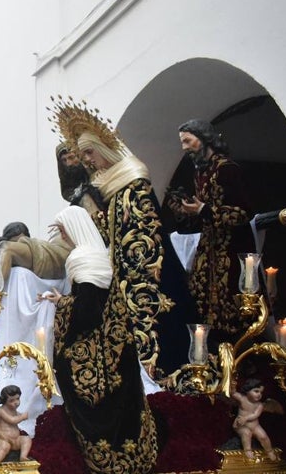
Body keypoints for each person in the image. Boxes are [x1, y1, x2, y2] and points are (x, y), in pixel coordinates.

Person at [55, 99, 173, 372]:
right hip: (120, 267)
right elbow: (108, 230)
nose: (86, 160)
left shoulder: (132, 176)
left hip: (142, 268)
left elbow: (146, 227)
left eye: (88, 153)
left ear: (102, 148)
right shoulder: (106, 186)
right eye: (81, 154)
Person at [41, 206, 158, 474]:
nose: (61, 236)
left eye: (62, 230)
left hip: (96, 351)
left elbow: (87, 314)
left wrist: (64, 307)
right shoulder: (98, 255)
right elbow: (95, 302)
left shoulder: (81, 258)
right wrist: (65, 300)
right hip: (118, 348)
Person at [166, 120, 254, 341]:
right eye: (182, 143)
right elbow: (204, 217)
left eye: (188, 141)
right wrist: (187, 211)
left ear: (204, 138)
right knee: (202, 305)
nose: (184, 147)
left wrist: (203, 209)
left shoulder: (227, 169)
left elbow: (242, 213)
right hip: (209, 250)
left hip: (231, 249)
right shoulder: (201, 173)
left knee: (232, 307)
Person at [231, 378, 278, 461]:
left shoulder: (260, 405)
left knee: (263, 436)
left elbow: (255, 415)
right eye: (256, 391)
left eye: (261, 392)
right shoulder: (242, 399)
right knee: (246, 433)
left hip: (255, 426)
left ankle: (269, 451)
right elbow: (233, 393)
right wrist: (233, 386)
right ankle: (248, 450)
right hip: (241, 425)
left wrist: (245, 418)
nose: (259, 394)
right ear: (247, 390)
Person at [0, 385, 32, 474]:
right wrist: (23, 417)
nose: (16, 403)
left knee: (26, 439)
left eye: (17, 399)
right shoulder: (1, 411)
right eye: (12, 400)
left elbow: (18, 416)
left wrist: (27, 415)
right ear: (4, 401)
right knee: (3, 449)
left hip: (16, 439)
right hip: (4, 439)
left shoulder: (13, 410)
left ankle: (23, 456)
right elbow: (12, 420)